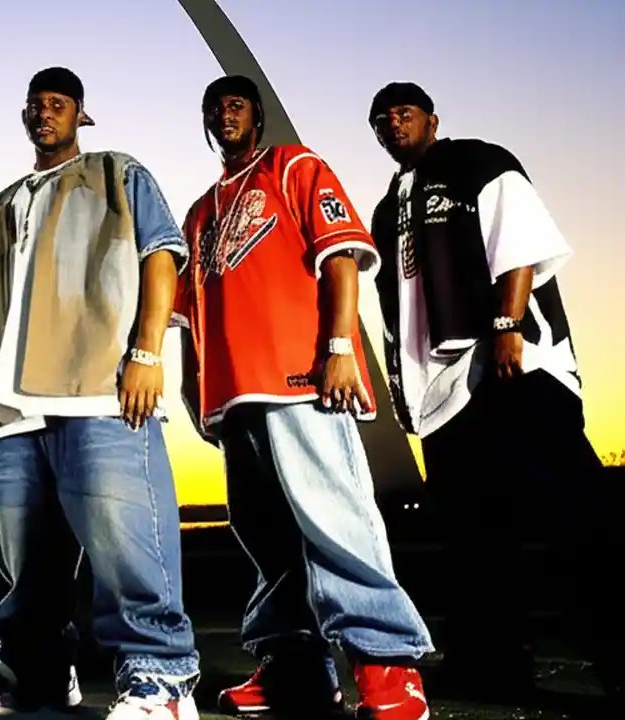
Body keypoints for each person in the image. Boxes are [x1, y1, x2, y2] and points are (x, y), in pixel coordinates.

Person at [171, 75, 434, 720]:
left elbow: (340, 258)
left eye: (235, 104)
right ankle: (295, 669)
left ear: (257, 117)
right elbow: (186, 315)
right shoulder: (201, 210)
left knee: (334, 520)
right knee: (267, 540)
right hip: (233, 396)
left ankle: (387, 664)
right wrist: (192, 385)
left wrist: (340, 347)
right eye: (214, 108)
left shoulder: (295, 166)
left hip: (301, 377)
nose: (223, 114)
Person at [367, 81, 623, 703]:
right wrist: (404, 388)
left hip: (513, 369)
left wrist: (507, 326)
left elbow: (520, 246)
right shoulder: (385, 208)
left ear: (432, 118)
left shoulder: (478, 161)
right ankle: (491, 663)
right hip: (446, 396)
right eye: (381, 119)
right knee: (475, 538)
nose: (393, 124)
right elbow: (398, 308)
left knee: (576, 518)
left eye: (404, 112)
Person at [0, 66, 200, 720]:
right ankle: (34, 677)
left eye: (59, 103)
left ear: (80, 116)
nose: (45, 113)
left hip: (99, 392)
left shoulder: (118, 172)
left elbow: (161, 255)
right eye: (36, 105)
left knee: (129, 553)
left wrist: (148, 351)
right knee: (26, 572)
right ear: (24, 117)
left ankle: (161, 681)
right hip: (15, 412)